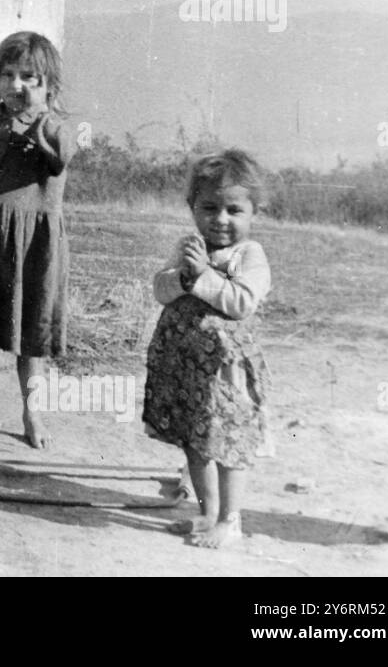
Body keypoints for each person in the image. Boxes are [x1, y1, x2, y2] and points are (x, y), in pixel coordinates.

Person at [143, 149, 274, 549]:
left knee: (230, 445)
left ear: (254, 213)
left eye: (234, 210)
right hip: (185, 368)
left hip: (225, 372)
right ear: (192, 208)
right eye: (210, 208)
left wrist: (202, 276)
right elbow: (160, 290)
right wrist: (182, 276)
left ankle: (230, 520)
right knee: (195, 442)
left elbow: (241, 302)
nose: (220, 219)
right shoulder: (190, 247)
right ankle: (207, 513)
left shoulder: (249, 255)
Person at [0, 31, 77, 447]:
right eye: (8, 75)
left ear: (50, 87)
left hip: (36, 245)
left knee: (32, 334)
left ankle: (33, 416)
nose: (17, 85)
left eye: (30, 77)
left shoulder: (57, 126)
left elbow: (61, 155)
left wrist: (39, 117)